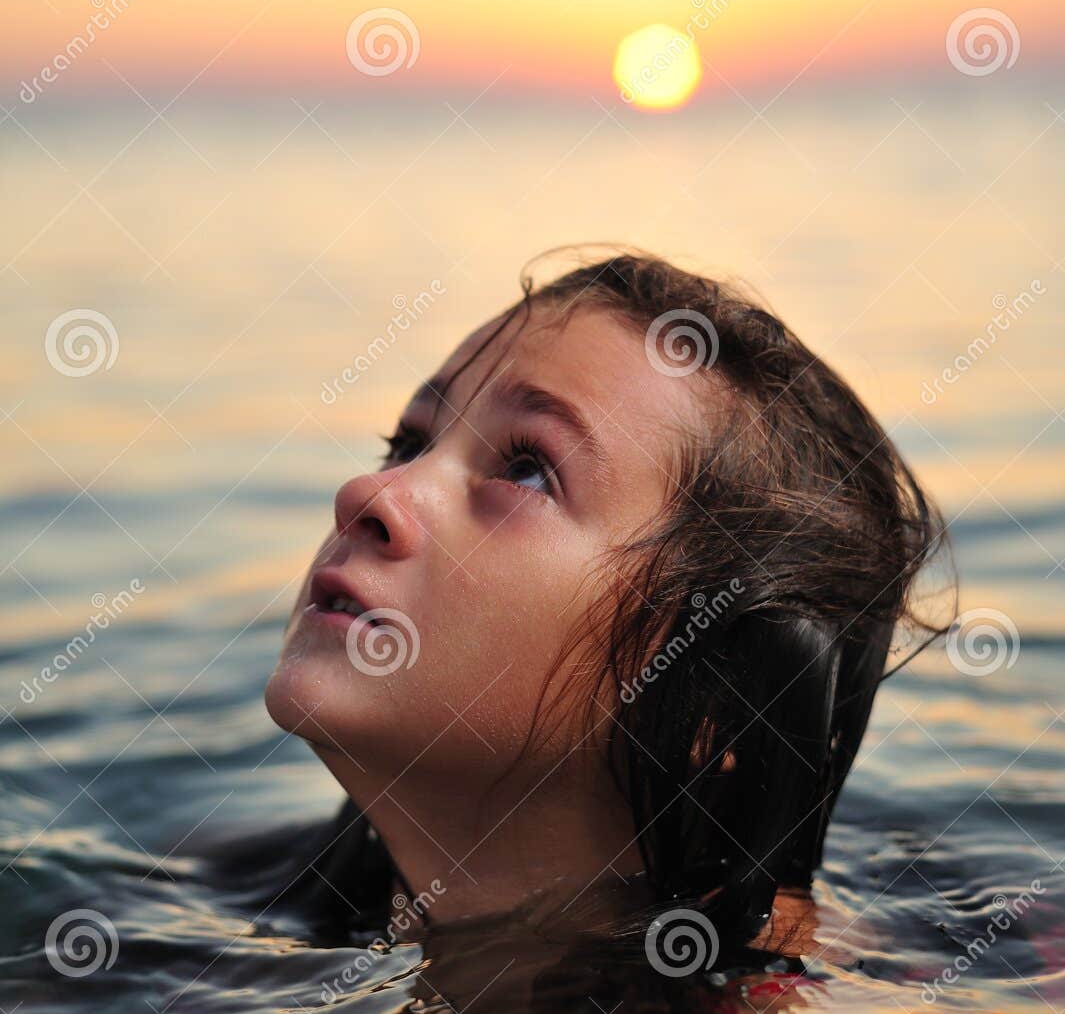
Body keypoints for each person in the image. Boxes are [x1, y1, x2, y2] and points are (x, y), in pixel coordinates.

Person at [263, 251, 949, 951]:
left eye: (528, 471)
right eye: (409, 442)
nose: (368, 493)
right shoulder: (253, 911)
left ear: (716, 706)